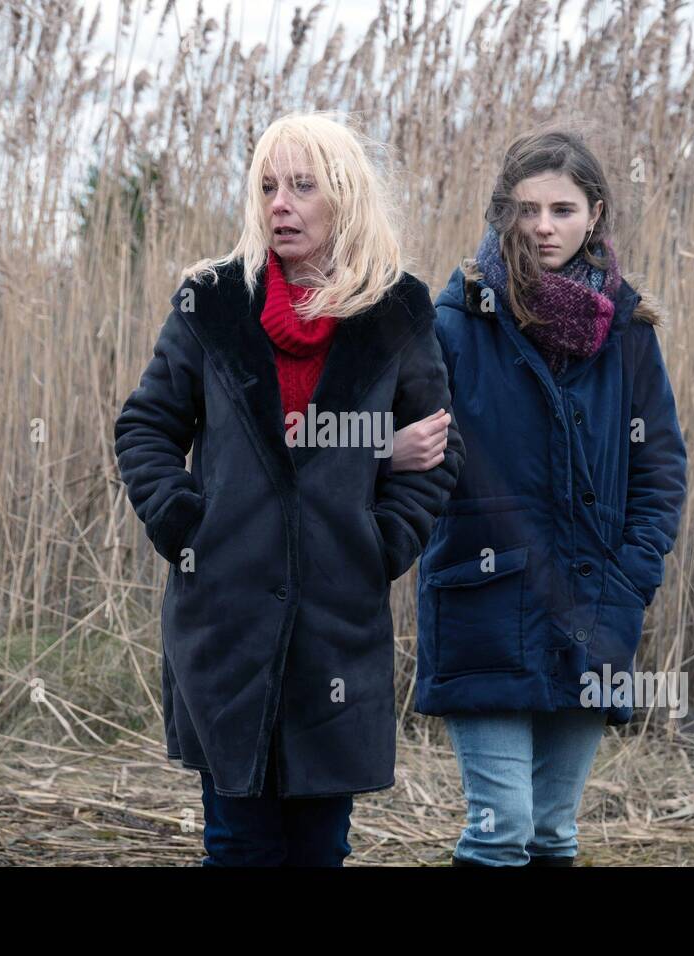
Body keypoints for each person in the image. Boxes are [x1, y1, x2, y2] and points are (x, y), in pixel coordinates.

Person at [113, 112, 464, 866]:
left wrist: (380, 543)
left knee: (318, 849)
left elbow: (439, 448)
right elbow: (144, 429)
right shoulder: (209, 304)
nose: (281, 204)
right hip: (225, 623)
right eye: (269, 187)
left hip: (336, 631)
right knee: (236, 845)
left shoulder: (397, 311)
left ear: (343, 197)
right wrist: (187, 527)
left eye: (303, 186)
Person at [410, 125, 688, 866]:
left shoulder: (628, 331)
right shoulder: (455, 324)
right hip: (482, 610)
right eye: (527, 209)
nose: (543, 226)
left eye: (562, 209)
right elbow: (407, 455)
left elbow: (660, 468)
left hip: (594, 614)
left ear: (594, 213)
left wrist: (632, 578)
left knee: (554, 833)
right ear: (504, 213)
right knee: (499, 829)